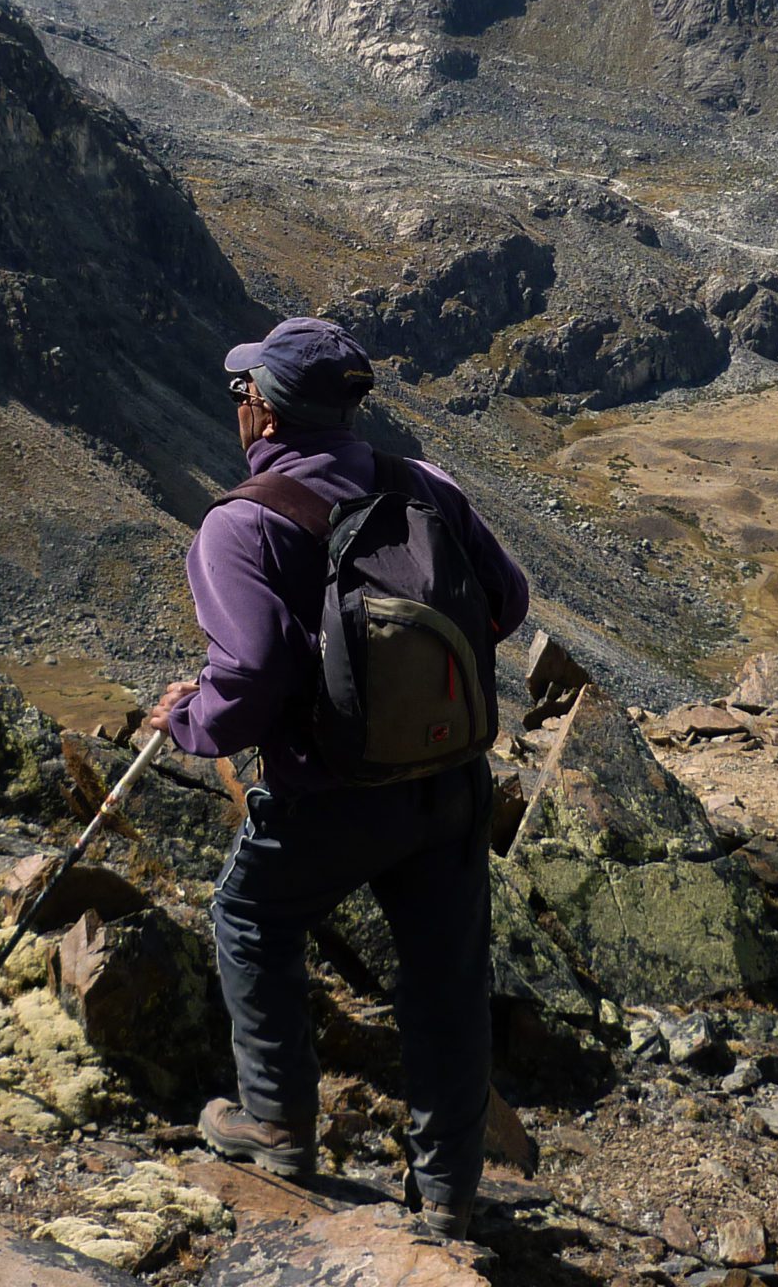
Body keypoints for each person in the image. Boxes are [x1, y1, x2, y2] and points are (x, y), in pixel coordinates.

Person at [146, 316, 529, 1238]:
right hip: (449, 778)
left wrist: (187, 723)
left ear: (265, 412)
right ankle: (447, 1195)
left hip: (329, 794)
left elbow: (248, 669)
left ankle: (276, 1118)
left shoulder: (242, 524)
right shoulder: (426, 483)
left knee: (250, 915)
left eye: (243, 391)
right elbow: (508, 603)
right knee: (445, 977)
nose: (237, 405)